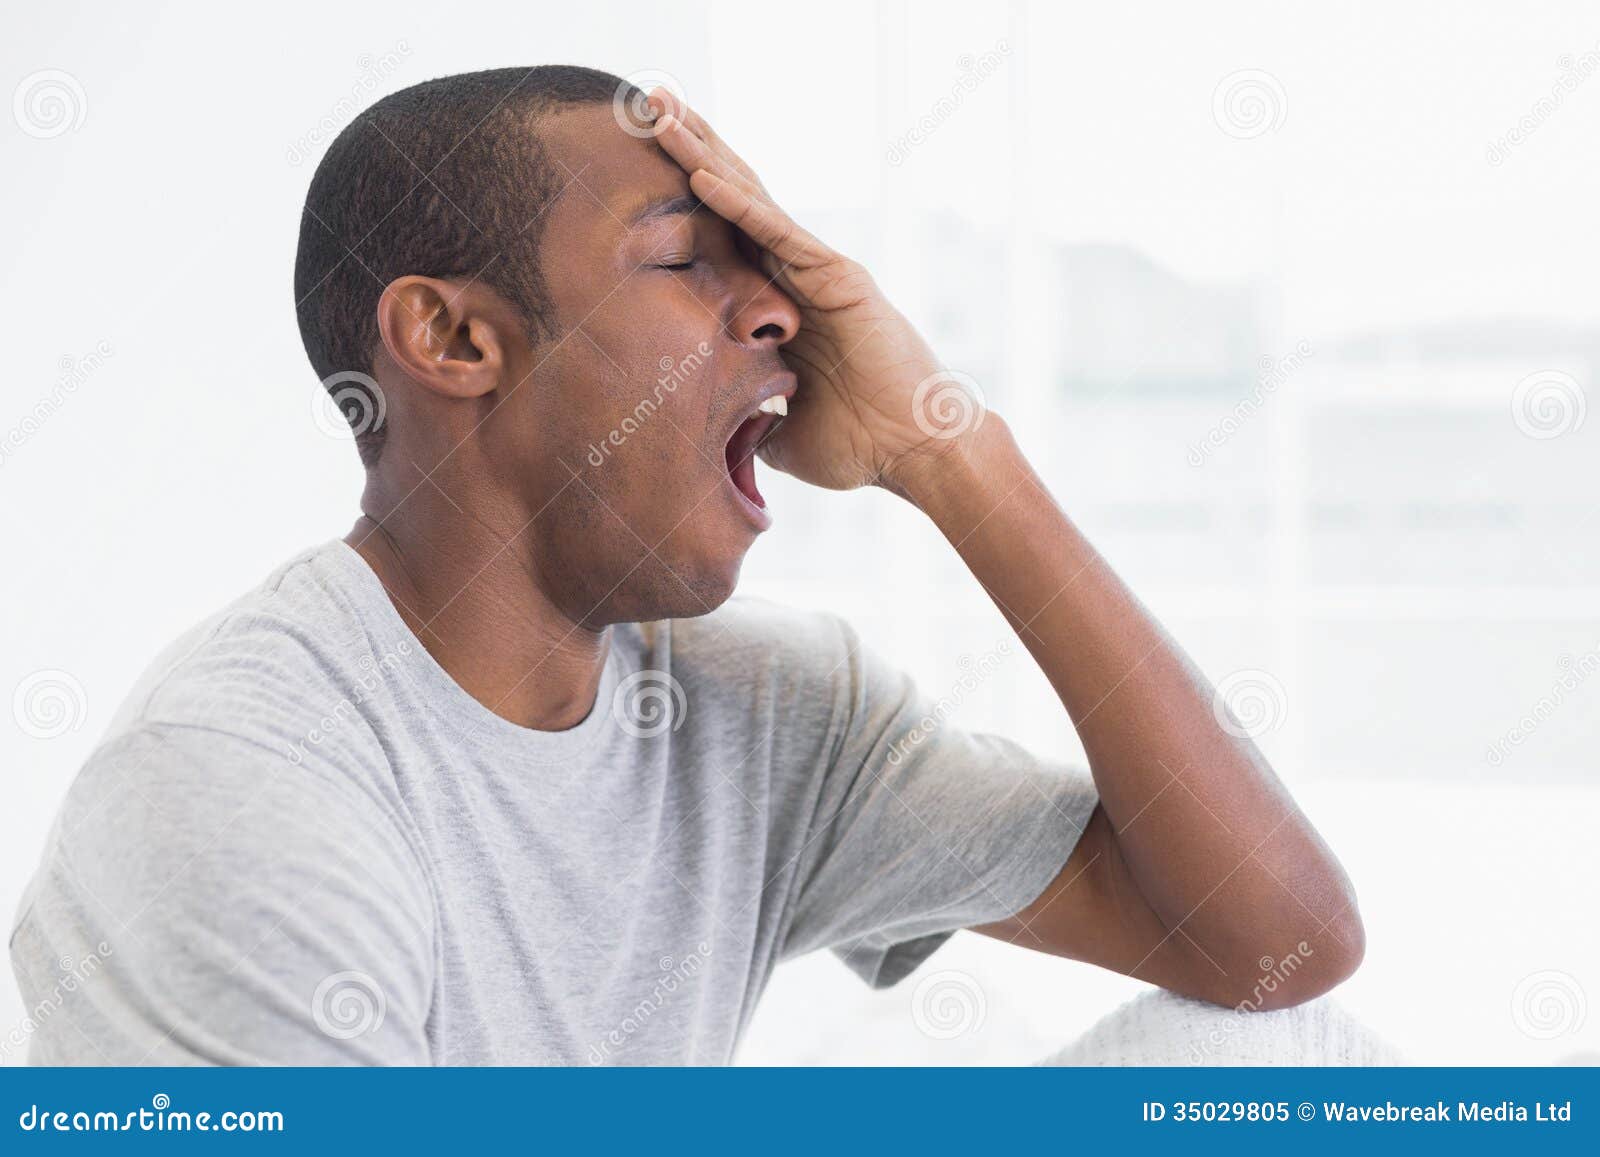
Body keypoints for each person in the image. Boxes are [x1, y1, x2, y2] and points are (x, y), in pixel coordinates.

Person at [9, 66, 1362, 1065]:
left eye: (763, 269)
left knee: (1282, 1064)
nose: (782, 312)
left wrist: (949, 454)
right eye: (679, 259)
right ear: (456, 341)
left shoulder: (768, 707)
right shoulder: (236, 780)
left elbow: (1273, 944)